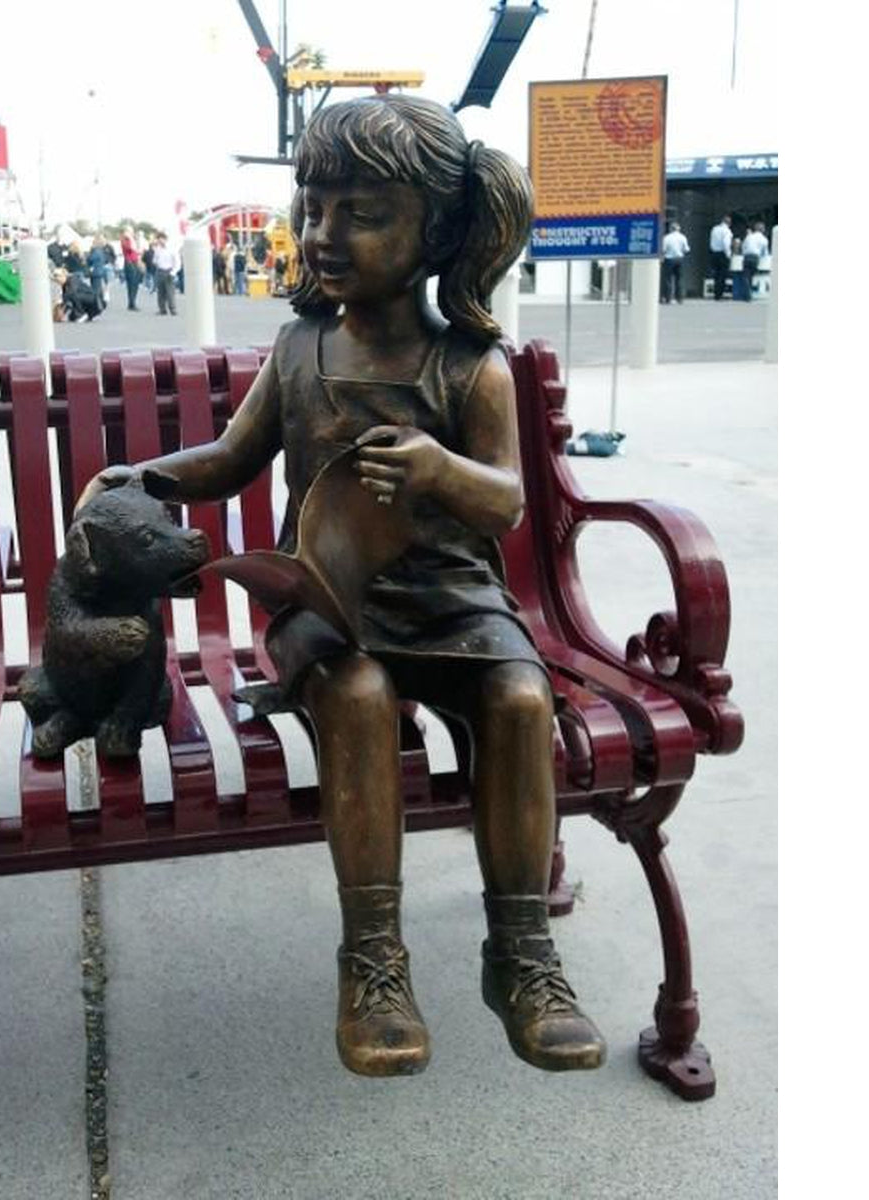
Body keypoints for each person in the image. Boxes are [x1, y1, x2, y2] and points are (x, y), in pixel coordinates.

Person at [76, 94, 605, 1080]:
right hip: (326, 607)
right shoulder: (300, 351)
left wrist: (441, 471)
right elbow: (230, 459)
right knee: (358, 694)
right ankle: (373, 960)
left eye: (360, 213)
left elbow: (505, 502)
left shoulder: (470, 367)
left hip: (452, 604)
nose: (322, 234)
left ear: (436, 232)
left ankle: (522, 952)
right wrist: (140, 477)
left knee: (520, 699)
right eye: (312, 208)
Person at [660, 220, 689, 304]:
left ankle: (668, 298)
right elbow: (686, 249)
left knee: (667, 279)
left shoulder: (666, 238)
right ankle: (679, 298)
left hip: (669, 259)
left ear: (671, 229)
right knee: (679, 279)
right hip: (679, 259)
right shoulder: (683, 237)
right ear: (678, 229)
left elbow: (663, 249)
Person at [741, 221, 769, 301]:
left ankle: (747, 295)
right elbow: (765, 252)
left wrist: (744, 253)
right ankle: (750, 293)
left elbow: (743, 246)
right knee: (752, 275)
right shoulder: (764, 239)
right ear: (762, 229)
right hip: (755, 257)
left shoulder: (749, 236)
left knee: (746, 276)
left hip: (747, 256)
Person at [708, 214, 733, 300]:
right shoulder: (727, 231)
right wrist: (728, 254)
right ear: (729, 223)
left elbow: (711, 241)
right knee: (722, 275)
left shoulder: (714, 229)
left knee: (716, 274)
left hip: (714, 253)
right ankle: (720, 294)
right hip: (722, 254)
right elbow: (726, 243)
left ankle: (716, 294)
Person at [153, 233, 178, 315]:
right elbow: (155, 260)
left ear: (165, 239)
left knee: (170, 292)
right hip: (160, 271)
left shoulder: (172, 249)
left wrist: (173, 272)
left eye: (161, 239)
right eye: (158, 239)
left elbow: (177, 262)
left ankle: (173, 309)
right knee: (160, 292)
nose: (160, 241)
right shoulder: (157, 249)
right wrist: (156, 263)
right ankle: (162, 309)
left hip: (169, 271)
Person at [120, 226, 143, 310]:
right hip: (129, 262)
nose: (132, 233)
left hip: (135, 262)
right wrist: (131, 239)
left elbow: (138, 250)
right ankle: (132, 303)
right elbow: (129, 249)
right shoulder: (125, 240)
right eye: (130, 231)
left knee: (135, 283)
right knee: (131, 283)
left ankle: (132, 302)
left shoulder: (132, 240)